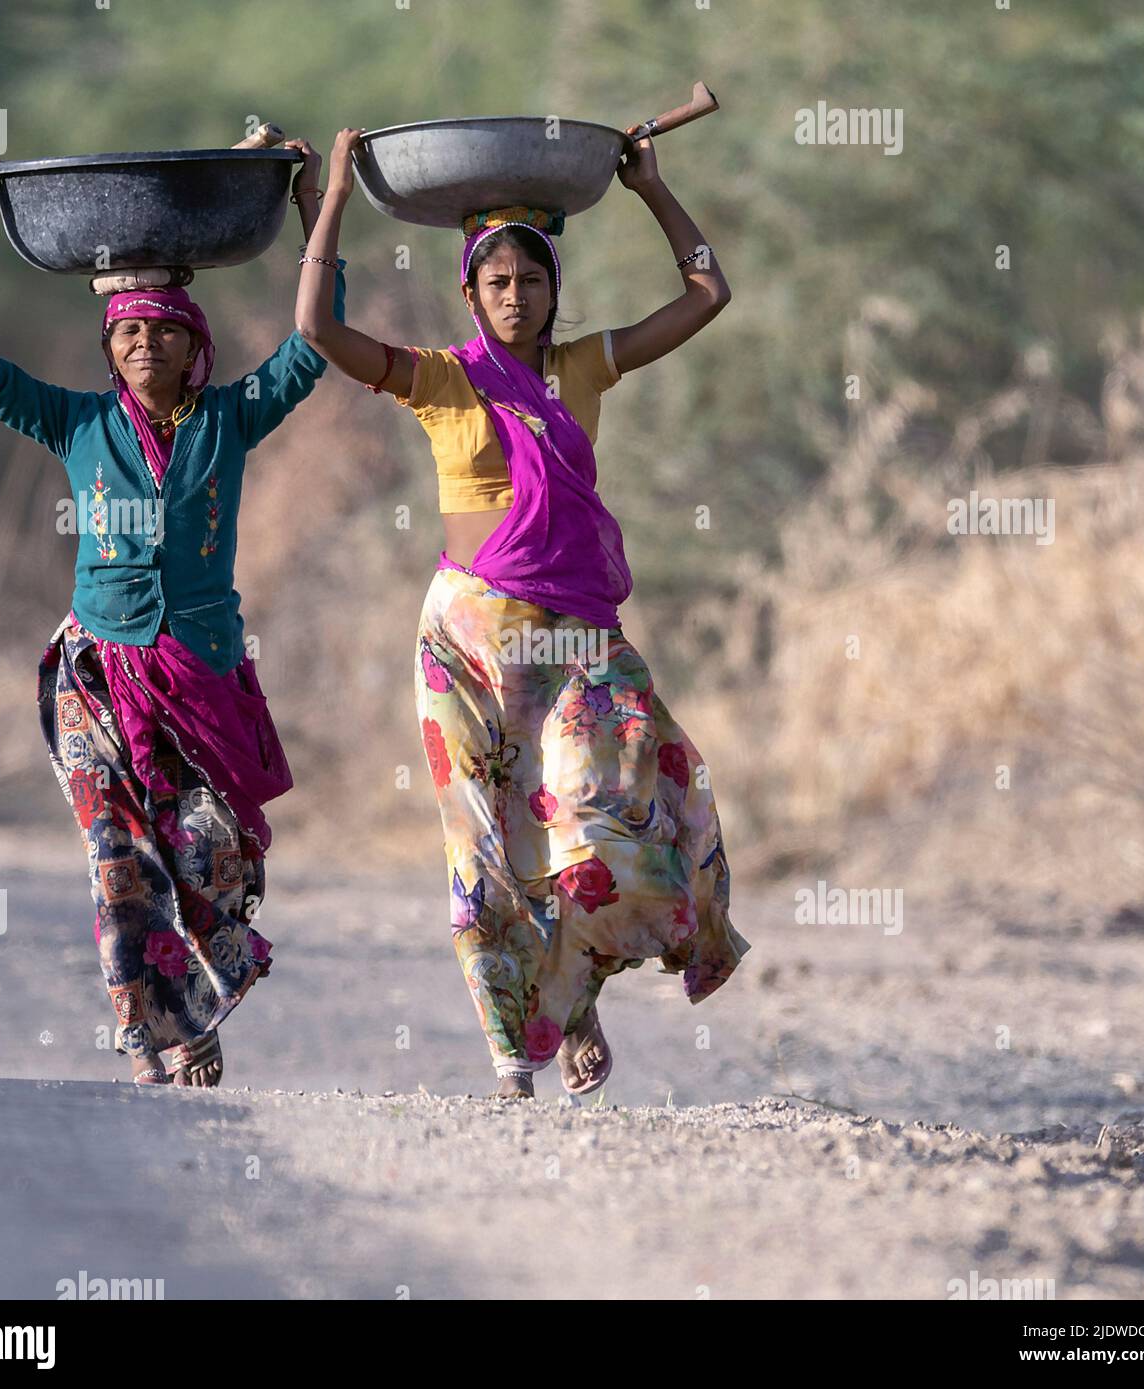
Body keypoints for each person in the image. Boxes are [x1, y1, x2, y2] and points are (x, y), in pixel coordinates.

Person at [297, 125, 750, 1099]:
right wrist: (331, 196)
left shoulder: (584, 368)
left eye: (532, 282)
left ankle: (578, 986)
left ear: (554, 292)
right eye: (496, 282)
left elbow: (708, 295)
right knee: (488, 840)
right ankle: (519, 1039)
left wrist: (651, 189)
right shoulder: (440, 378)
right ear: (470, 292)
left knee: (610, 799)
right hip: (468, 641)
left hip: (579, 639)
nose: (515, 297)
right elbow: (318, 336)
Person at [0, 138, 347, 1086]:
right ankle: (155, 1033)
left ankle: (197, 1002)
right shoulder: (77, 424)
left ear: (194, 343)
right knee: (118, 858)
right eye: (127, 334)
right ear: (109, 348)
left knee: (209, 852)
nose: (143, 346)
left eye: (164, 331)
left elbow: (317, 339)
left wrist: (311, 208)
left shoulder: (231, 419)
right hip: (97, 673)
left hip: (198, 667)